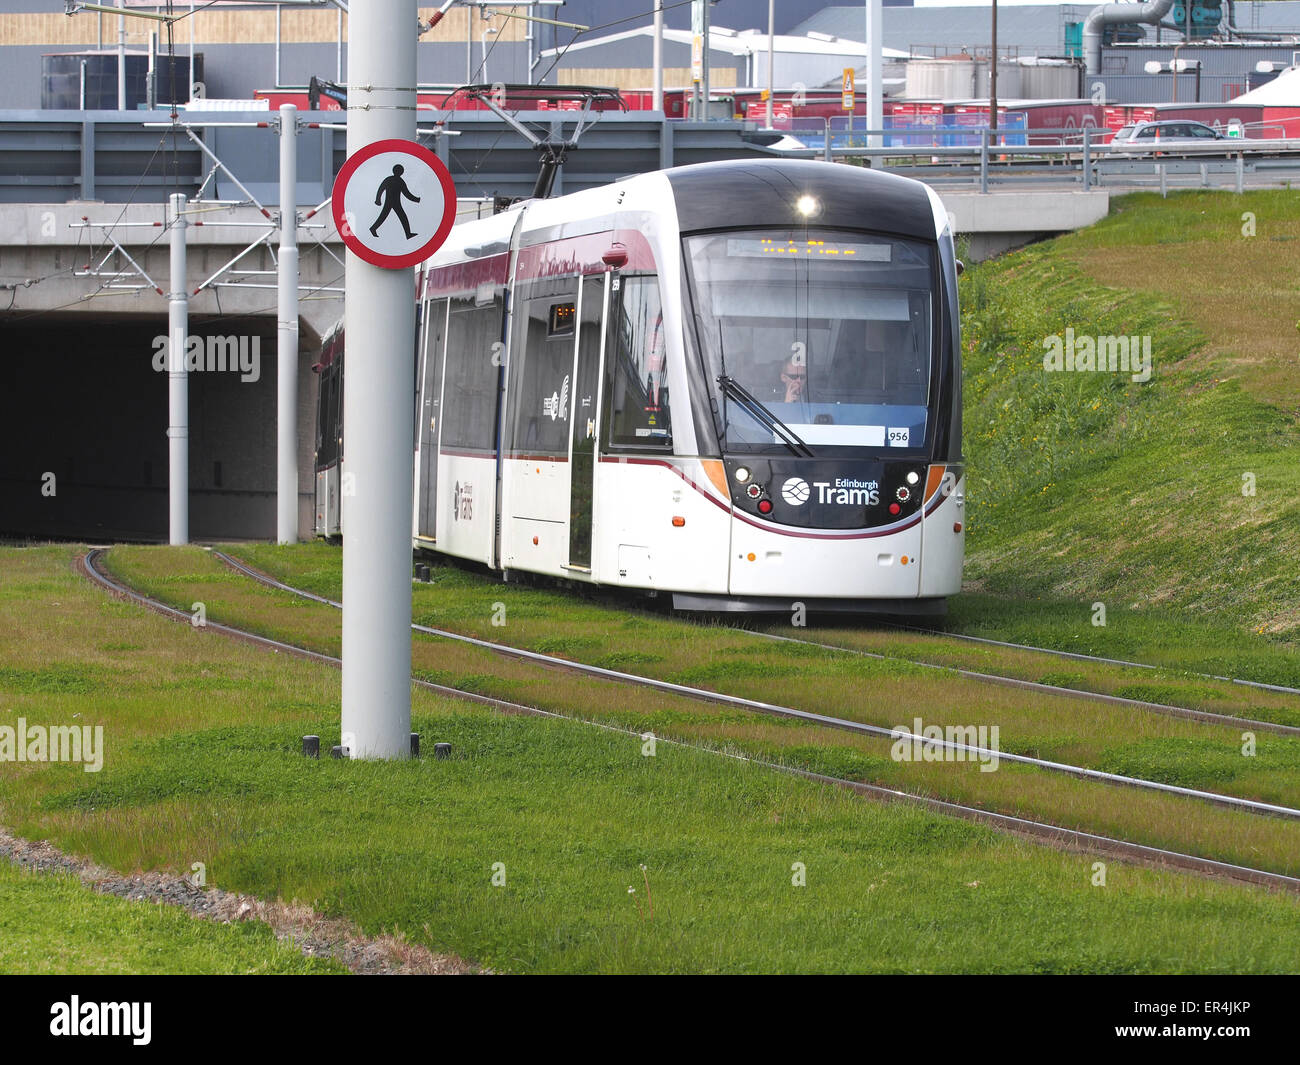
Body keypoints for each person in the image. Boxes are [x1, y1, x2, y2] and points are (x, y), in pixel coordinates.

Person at [370, 164, 420, 240]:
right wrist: (417, 199)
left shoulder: (390, 179)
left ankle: (408, 234)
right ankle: (408, 234)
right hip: (393, 202)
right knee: (399, 217)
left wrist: (378, 200)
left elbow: (381, 189)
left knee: (386, 216)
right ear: (401, 172)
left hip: (393, 202)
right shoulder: (399, 181)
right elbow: (407, 194)